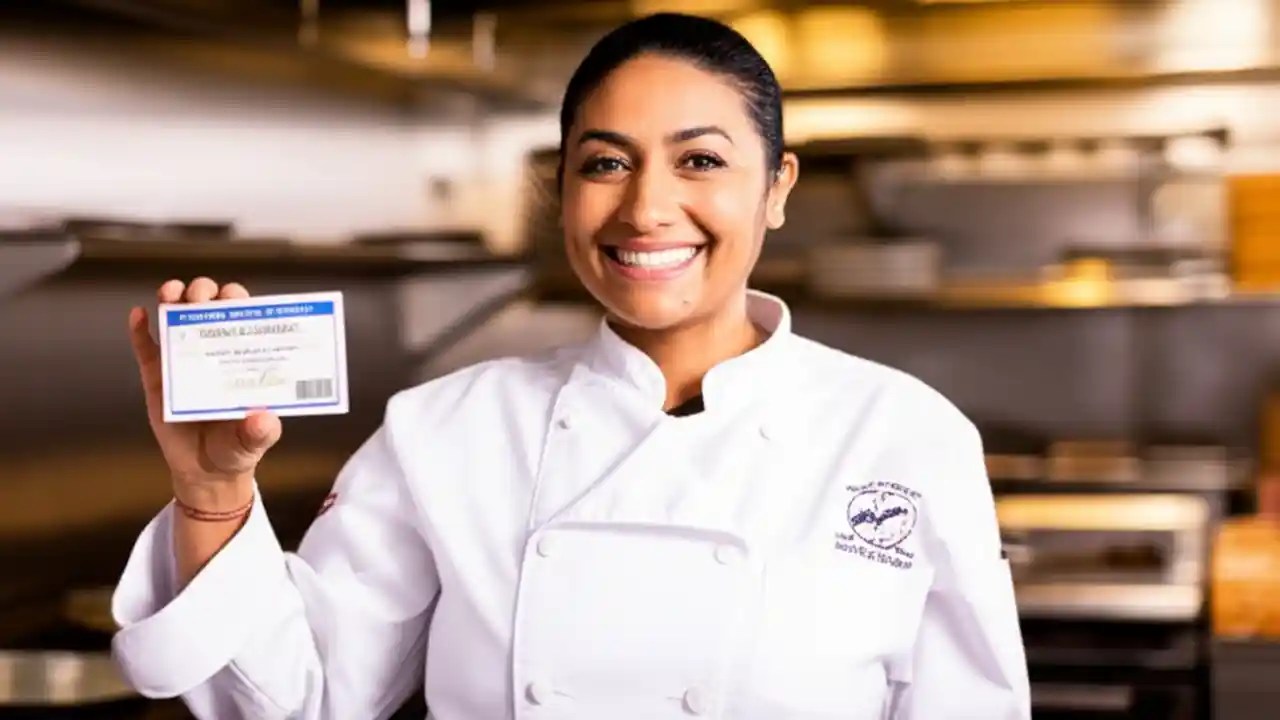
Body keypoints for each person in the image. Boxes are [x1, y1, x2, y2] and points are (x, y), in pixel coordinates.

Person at [111, 12, 1030, 720]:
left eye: (700, 160)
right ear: (562, 195)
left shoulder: (905, 433)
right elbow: (300, 701)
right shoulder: (447, 428)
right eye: (605, 165)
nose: (647, 207)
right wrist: (214, 497)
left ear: (777, 188)